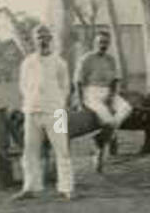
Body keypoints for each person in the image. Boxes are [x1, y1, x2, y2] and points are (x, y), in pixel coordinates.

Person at [13, 24, 74, 201]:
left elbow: (65, 87)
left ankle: (66, 188)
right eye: (39, 37)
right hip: (32, 111)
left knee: (62, 150)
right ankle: (30, 187)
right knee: (30, 150)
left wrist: (57, 104)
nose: (42, 40)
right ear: (34, 40)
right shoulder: (28, 62)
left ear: (51, 39)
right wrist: (32, 101)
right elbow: (23, 86)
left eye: (46, 36)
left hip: (57, 113)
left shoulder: (60, 62)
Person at [75, 27, 133, 173]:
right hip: (91, 92)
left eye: (106, 42)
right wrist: (80, 101)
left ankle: (100, 138)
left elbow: (114, 81)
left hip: (108, 92)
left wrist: (112, 95)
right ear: (95, 43)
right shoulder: (86, 59)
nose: (103, 45)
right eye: (100, 42)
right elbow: (78, 82)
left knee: (126, 108)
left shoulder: (111, 60)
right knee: (109, 120)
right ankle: (99, 150)